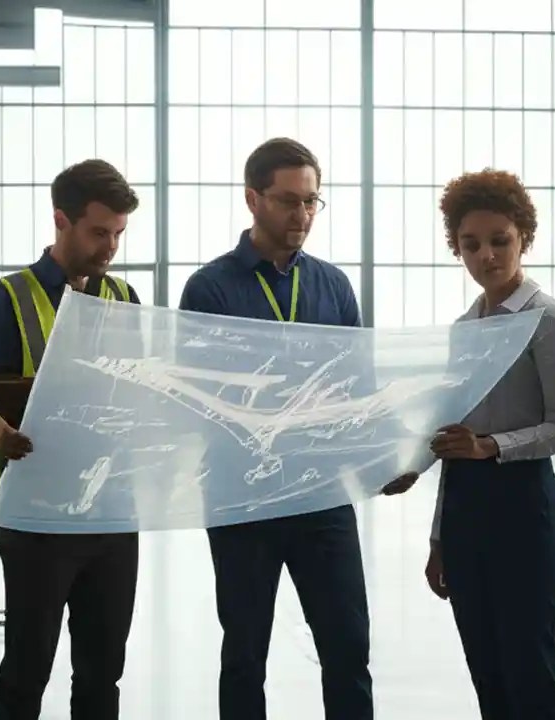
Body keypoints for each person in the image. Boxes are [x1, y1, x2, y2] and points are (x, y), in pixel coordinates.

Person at [178, 137, 417, 720]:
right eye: (288, 201)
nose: (302, 215)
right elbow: (195, 397)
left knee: (347, 649)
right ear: (252, 199)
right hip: (243, 504)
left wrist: (388, 456)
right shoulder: (209, 289)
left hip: (323, 497)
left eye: (312, 201)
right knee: (244, 655)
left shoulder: (333, 285)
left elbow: (360, 386)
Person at [0, 159, 142, 720]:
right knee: (27, 668)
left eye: (118, 233)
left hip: (113, 517)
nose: (110, 246)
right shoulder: (8, 299)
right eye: (99, 232)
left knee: (102, 673)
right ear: (61, 220)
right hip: (38, 520)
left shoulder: (125, 298)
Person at [425, 169, 555, 720]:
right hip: (467, 515)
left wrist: (492, 445)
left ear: (524, 239)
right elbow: (451, 439)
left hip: (526, 512)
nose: (485, 256)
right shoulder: (464, 328)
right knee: (486, 674)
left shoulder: (547, 320)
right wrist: (440, 537)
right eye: (470, 244)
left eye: (499, 241)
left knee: (528, 673)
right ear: (456, 248)